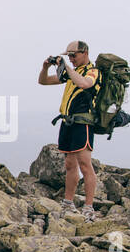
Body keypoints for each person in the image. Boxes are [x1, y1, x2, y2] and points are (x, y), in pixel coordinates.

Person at [38, 41, 100, 221]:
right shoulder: (72, 72)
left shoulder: (93, 71)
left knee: (85, 164)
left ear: (85, 53)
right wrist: (45, 67)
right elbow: (43, 81)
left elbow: (84, 84)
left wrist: (66, 68)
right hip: (67, 122)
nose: (71, 59)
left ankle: (89, 208)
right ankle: (68, 203)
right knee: (69, 164)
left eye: (73, 55)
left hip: (83, 122)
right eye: (68, 56)